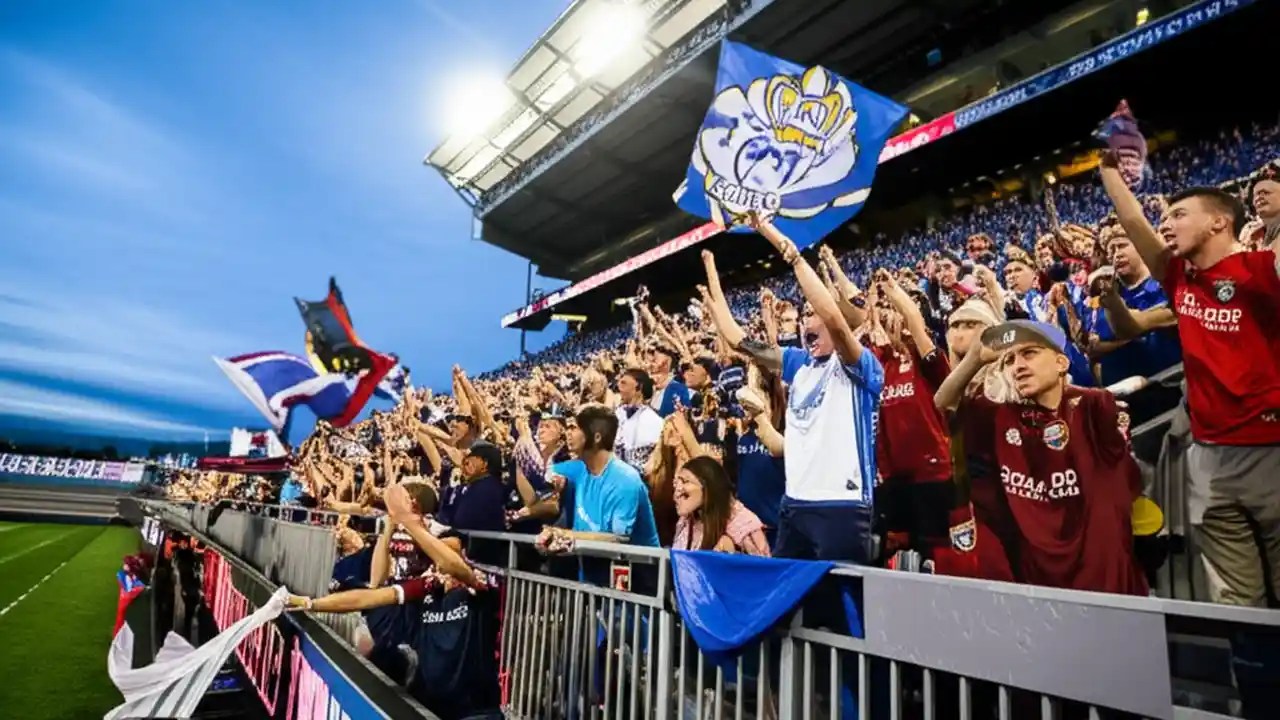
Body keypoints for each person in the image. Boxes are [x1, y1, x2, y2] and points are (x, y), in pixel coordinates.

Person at [1100, 151, 1280, 607]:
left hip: (1270, 448)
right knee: (1236, 600)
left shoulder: (1265, 269)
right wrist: (1108, 174)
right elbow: (1134, 221)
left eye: (1179, 215)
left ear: (1219, 223)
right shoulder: (1180, 276)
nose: (1166, 224)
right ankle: (1256, 678)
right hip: (1208, 455)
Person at [712, 215, 884, 563]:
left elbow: (834, 319)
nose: (807, 320)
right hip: (794, 503)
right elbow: (737, 340)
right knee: (789, 605)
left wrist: (779, 242)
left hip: (841, 506)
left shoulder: (857, 364)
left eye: (811, 313)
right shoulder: (798, 363)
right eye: (803, 315)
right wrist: (711, 278)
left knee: (841, 607)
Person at [937, 320, 1149, 595]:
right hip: (1036, 583)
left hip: (1102, 585)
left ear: (1061, 363)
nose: (1018, 366)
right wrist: (976, 358)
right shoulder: (1000, 417)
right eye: (1009, 360)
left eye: (1030, 354)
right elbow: (943, 403)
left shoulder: (1093, 408)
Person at [287, 485, 502, 720]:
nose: (436, 564)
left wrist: (407, 520)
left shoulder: (478, 586)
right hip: (430, 708)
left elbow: (455, 565)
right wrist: (311, 603)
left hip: (477, 713)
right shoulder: (427, 586)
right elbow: (371, 594)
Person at [536, 404, 662, 552]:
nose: (568, 433)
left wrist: (564, 534)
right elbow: (538, 470)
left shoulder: (626, 480)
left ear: (597, 437)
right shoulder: (577, 468)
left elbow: (618, 539)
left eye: (575, 428)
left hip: (635, 570)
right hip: (589, 569)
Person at [672, 456, 770, 556]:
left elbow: (762, 568)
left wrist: (733, 554)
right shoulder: (686, 521)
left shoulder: (745, 526)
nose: (677, 490)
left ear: (708, 486)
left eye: (685, 481)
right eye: (676, 483)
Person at [437, 442, 506, 533]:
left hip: (478, 544)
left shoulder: (486, 488)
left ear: (484, 464)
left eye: (467, 463)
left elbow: (458, 520)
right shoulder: (476, 485)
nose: (463, 467)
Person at [614, 368, 663, 475]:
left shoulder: (653, 420)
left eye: (624, 383)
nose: (619, 387)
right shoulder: (618, 413)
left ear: (638, 387)